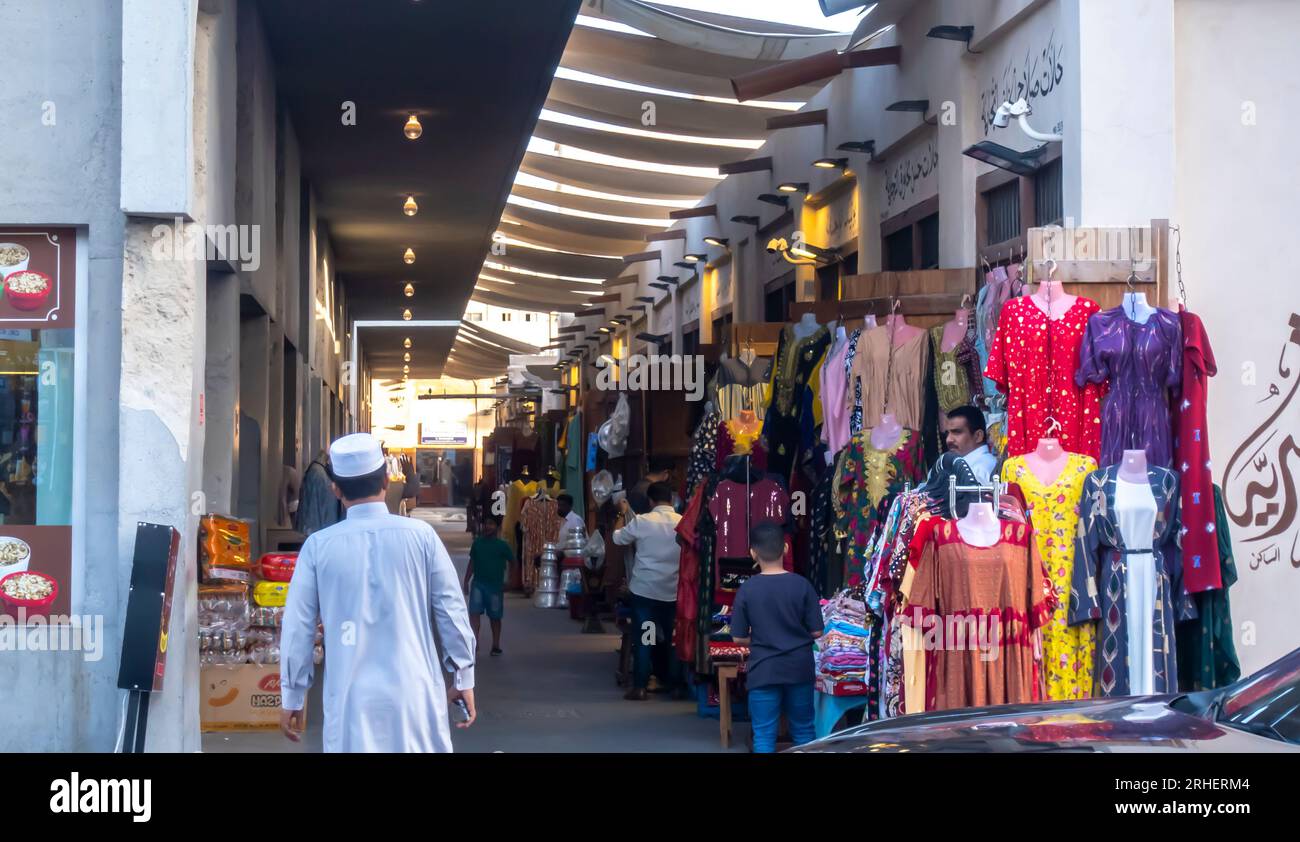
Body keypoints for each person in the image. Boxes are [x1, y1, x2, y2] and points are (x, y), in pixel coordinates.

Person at [279, 432, 477, 752]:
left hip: (349, 701)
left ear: (336, 489)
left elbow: (298, 625)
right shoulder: (421, 537)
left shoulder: (318, 547)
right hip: (416, 697)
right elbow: (450, 608)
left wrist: (293, 694)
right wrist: (463, 674)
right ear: (386, 480)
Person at [730, 522, 824, 753]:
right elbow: (817, 632)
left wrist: (762, 638)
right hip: (799, 667)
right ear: (785, 549)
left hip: (764, 668)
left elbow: (738, 639)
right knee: (803, 731)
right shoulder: (802, 585)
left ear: (753, 552)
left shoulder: (747, 590)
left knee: (763, 734)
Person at [612, 482, 682, 701]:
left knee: (646, 637)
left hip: (646, 592)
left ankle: (641, 687)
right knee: (672, 639)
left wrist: (622, 514)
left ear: (651, 501)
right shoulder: (683, 522)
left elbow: (617, 538)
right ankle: (675, 685)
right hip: (672, 591)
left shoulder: (642, 521)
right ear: (671, 500)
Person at [463, 516, 511, 656]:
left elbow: (513, 562)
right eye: (486, 524)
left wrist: (511, 581)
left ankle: (495, 645)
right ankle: (475, 642)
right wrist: (466, 581)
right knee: (474, 613)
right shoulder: (477, 544)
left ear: (497, 527)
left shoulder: (503, 546)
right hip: (478, 584)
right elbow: (472, 563)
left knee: (495, 617)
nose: (488, 527)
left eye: (491, 524)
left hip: (495, 586)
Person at [943, 405, 998, 484]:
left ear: (978, 436)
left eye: (957, 432)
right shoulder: (963, 465)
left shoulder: (980, 470)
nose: (948, 440)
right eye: (947, 433)